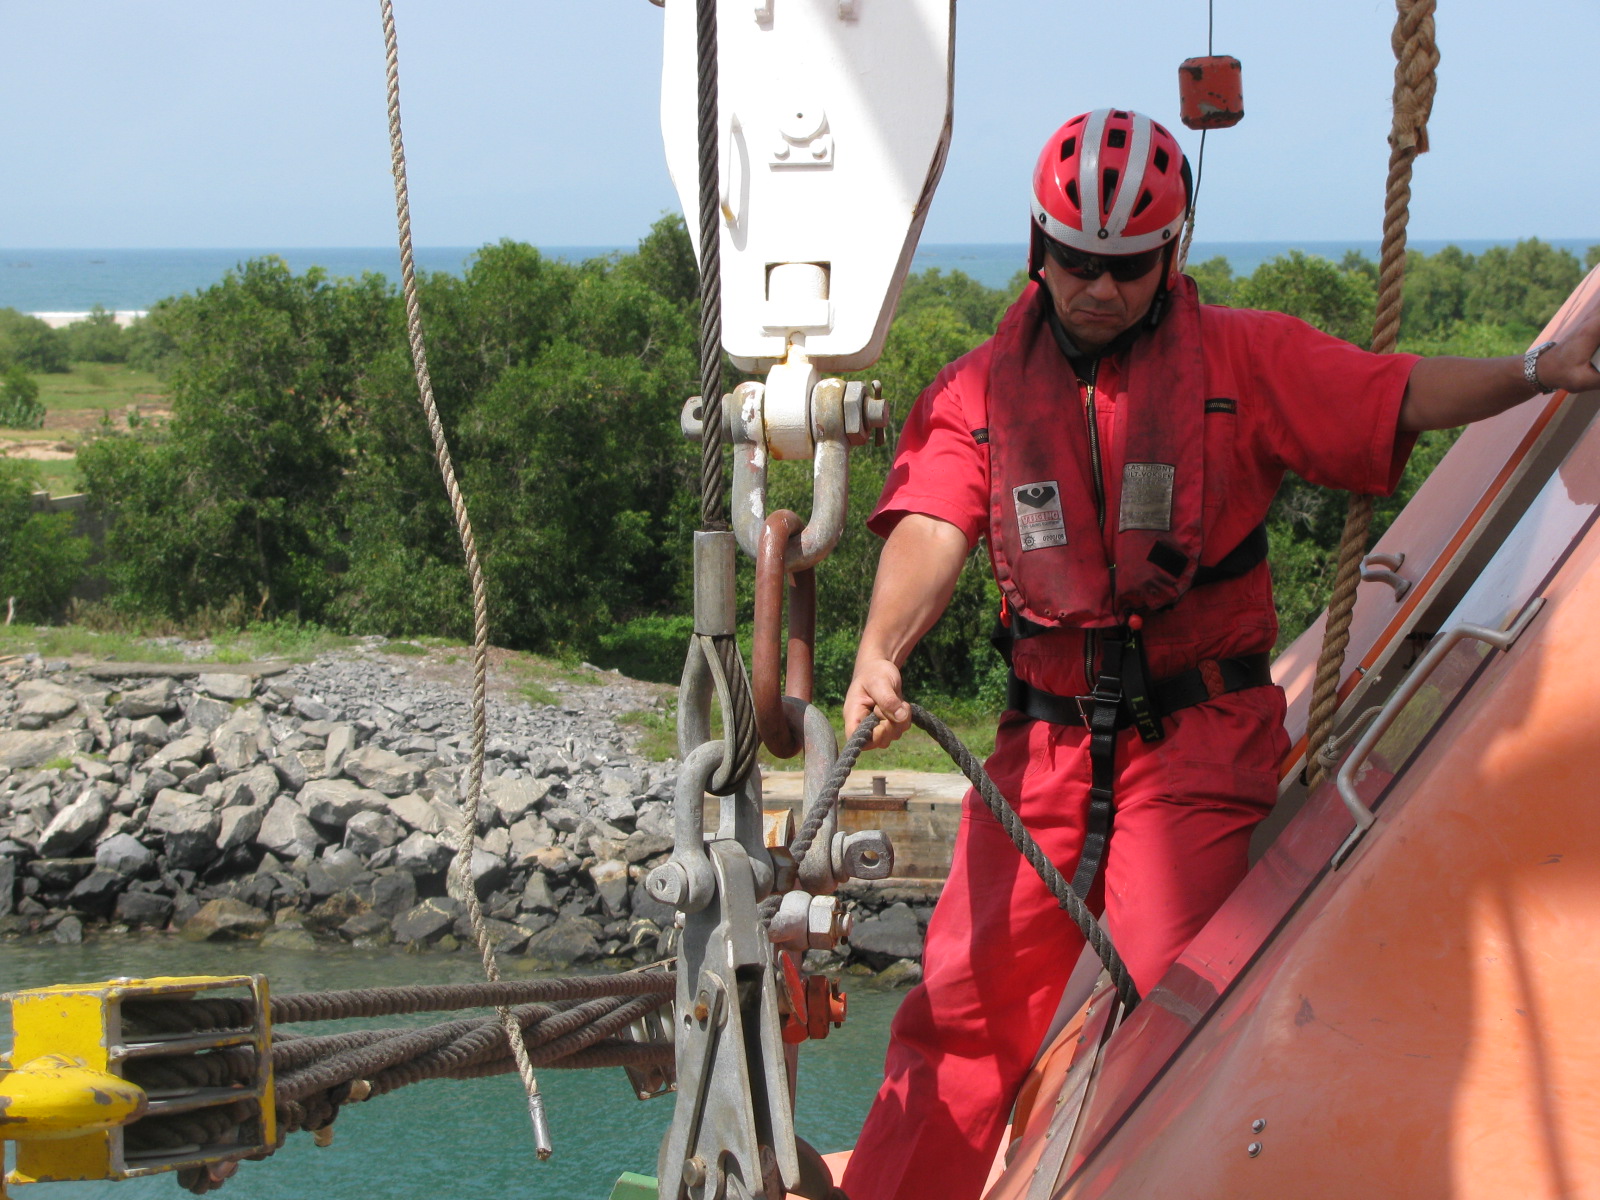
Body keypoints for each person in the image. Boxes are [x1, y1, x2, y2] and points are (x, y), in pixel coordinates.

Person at [839, 107, 1600, 1200]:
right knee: (960, 1011)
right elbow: (932, 524)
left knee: (1165, 1016)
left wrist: (1534, 369)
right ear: (1037, 250)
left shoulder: (1242, 361)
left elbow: (1393, 392)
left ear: (1173, 255)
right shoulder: (977, 393)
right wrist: (878, 650)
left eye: (1131, 266)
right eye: (1080, 263)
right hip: (1043, 748)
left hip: (1194, 742)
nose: (1102, 289)